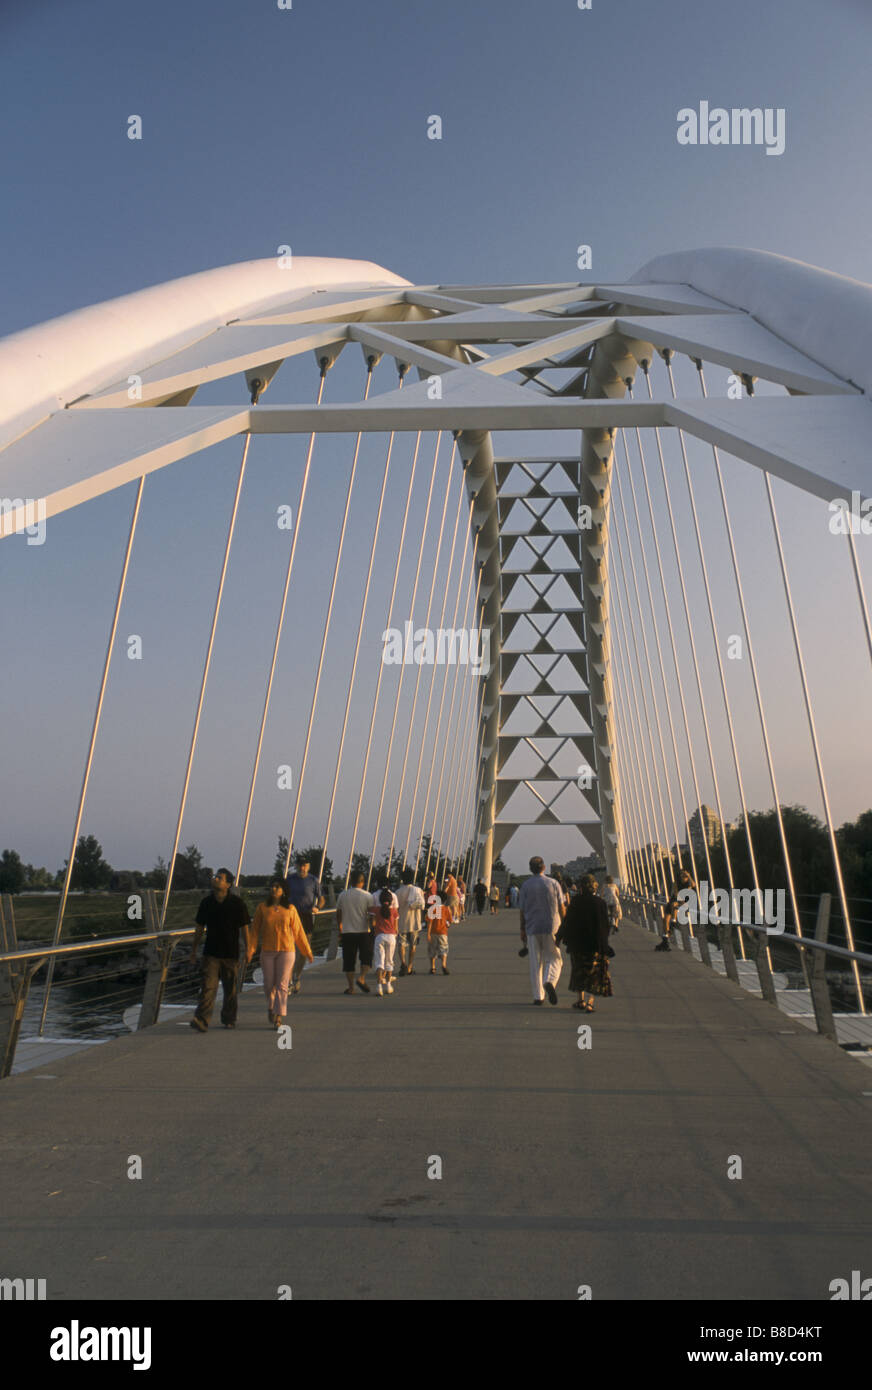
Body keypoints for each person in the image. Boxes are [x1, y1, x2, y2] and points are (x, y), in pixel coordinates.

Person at [189, 868, 251, 1032]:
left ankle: (229, 1018)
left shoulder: (237, 903)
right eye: (215, 877)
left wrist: (250, 949)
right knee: (208, 987)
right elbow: (199, 927)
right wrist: (194, 949)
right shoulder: (206, 903)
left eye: (220, 878)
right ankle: (202, 1019)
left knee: (230, 988)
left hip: (231, 953)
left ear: (228, 884)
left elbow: (245, 928)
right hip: (211, 952)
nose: (215, 879)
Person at [246, 879, 312, 1028]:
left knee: (282, 984)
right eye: (273, 887)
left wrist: (306, 951)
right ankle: (271, 1006)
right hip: (268, 951)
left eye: (278, 887)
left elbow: (299, 932)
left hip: (286, 951)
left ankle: (279, 1015)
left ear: (283, 891)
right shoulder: (262, 908)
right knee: (269, 984)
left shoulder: (290, 909)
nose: (274, 889)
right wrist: (250, 950)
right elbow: (254, 931)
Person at [557, 875, 612, 1012]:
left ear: (581, 887)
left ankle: (580, 1000)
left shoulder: (575, 901)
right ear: (594, 887)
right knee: (595, 973)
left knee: (579, 971)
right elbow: (605, 926)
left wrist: (559, 937)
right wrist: (605, 944)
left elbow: (567, 921)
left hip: (578, 944)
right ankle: (590, 1002)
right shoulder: (600, 903)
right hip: (595, 944)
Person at [519, 855, 565, 1006]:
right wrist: (565, 926)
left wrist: (522, 929)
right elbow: (561, 906)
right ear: (544, 867)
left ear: (530, 869)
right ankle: (549, 980)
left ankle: (538, 996)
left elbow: (522, 909)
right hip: (552, 926)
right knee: (555, 958)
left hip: (532, 927)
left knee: (535, 962)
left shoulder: (525, 886)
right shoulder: (553, 883)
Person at [285, 855, 324, 992]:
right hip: (291, 916)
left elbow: (321, 899)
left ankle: (297, 976)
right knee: (290, 949)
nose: (302, 868)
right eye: (300, 865)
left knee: (303, 950)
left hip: (306, 916)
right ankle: (288, 980)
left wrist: (317, 907)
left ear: (308, 866)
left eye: (305, 865)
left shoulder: (313, 880)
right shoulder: (289, 880)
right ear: (296, 866)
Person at [336, 869, 375, 994]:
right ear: (362, 882)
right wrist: (372, 927)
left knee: (349, 960)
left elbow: (339, 913)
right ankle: (362, 977)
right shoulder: (368, 896)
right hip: (364, 931)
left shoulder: (343, 895)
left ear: (351, 881)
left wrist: (340, 928)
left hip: (347, 932)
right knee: (366, 958)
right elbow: (371, 915)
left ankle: (351, 987)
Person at [369, 885, 399, 995]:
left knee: (379, 962)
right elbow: (396, 927)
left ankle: (379, 987)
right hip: (391, 937)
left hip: (379, 936)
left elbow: (372, 922)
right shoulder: (394, 911)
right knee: (389, 961)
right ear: (391, 900)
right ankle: (388, 986)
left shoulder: (376, 910)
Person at [396, 870, 425, 975]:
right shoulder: (418, 890)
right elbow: (422, 905)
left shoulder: (398, 892)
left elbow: (396, 908)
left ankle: (403, 963)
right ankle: (409, 967)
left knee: (401, 944)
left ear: (402, 879)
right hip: (415, 923)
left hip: (402, 922)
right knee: (413, 945)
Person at [657, 868, 693, 951]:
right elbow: (676, 893)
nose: (683, 876)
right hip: (675, 900)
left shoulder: (689, 883)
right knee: (665, 921)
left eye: (685, 875)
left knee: (674, 906)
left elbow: (693, 885)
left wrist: (689, 876)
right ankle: (665, 940)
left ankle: (673, 921)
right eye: (682, 874)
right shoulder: (676, 883)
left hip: (683, 901)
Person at [427, 889, 452, 975]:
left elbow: (429, 922)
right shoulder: (446, 909)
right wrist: (447, 925)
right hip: (443, 932)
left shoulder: (432, 908)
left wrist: (428, 934)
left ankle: (433, 967)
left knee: (432, 949)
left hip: (433, 932)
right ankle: (443, 965)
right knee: (444, 948)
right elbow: (449, 921)